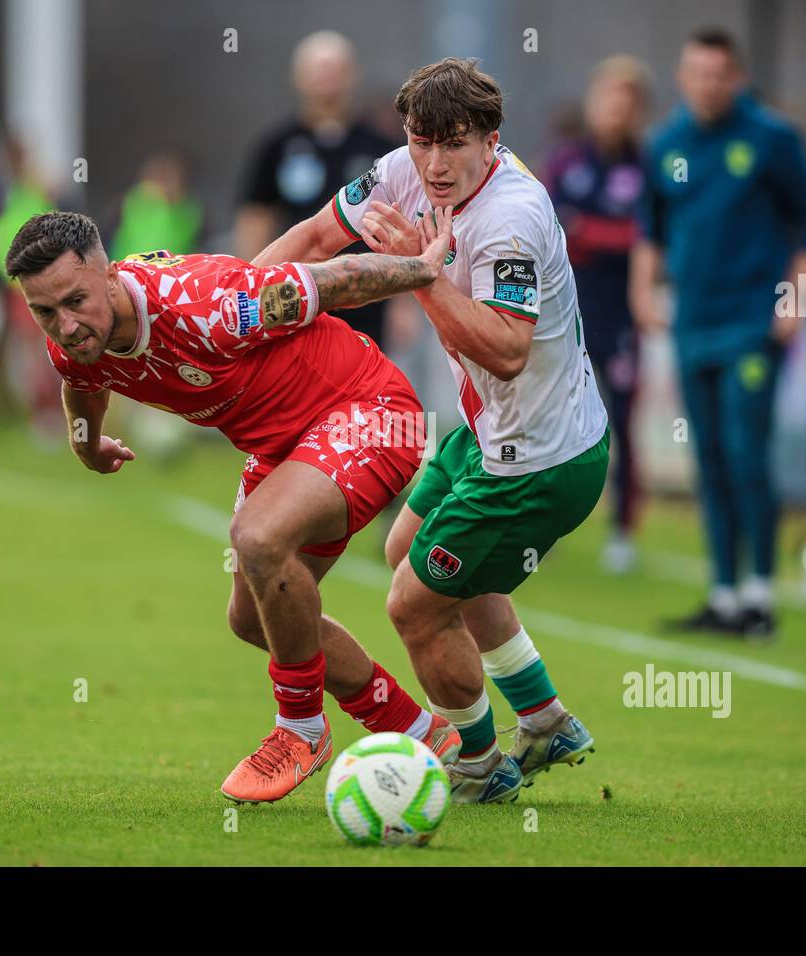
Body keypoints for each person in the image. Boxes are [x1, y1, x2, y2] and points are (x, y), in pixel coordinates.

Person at [4, 210, 462, 804]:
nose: (65, 326)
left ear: (109, 275)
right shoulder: (76, 342)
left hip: (374, 412)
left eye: (76, 301)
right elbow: (81, 384)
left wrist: (425, 269)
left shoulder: (209, 305)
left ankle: (299, 729)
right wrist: (86, 443)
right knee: (253, 619)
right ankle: (423, 735)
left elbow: (337, 278)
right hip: (285, 446)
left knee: (257, 537)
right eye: (46, 312)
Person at [255, 58, 609, 804]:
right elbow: (318, 236)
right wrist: (228, 306)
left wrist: (420, 274)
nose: (436, 165)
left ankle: (479, 768)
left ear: (492, 140)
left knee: (413, 603)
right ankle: (543, 717)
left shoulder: (511, 218)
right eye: (423, 142)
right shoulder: (400, 170)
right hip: (490, 436)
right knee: (402, 550)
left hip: (539, 459)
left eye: (455, 144)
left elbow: (507, 353)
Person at [630, 28, 806, 639]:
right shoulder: (666, 145)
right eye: (698, 73)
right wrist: (642, 293)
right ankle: (722, 593)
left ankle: (760, 595)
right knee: (709, 459)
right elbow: (652, 232)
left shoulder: (770, 138)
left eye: (720, 75)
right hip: (694, 324)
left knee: (748, 454)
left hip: (752, 323)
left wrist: (793, 299)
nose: (709, 85)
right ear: (683, 78)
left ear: (736, 78)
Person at [544, 55, 651, 573]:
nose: (617, 109)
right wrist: (606, 237)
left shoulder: (649, 166)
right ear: (593, 102)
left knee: (624, 418)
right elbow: (555, 229)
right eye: (610, 97)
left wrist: (595, 234)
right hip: (565, 312)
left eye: (628, 101)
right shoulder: (566, 163)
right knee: (549, 416)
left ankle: (624, 530)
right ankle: (540, 520)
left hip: (623, 314)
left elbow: (648, 238)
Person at [234, 30, 398, 348]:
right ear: (299, 78)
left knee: (367, 376)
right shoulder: (276, 145)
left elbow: (404, 217)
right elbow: (256, 217)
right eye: (318, 69)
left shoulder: (381, 146)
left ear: (353, 75)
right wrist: (248, 285)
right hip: (295, 287)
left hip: (370, 289)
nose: (327, 78)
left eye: (335, 69)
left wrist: (405, 300)